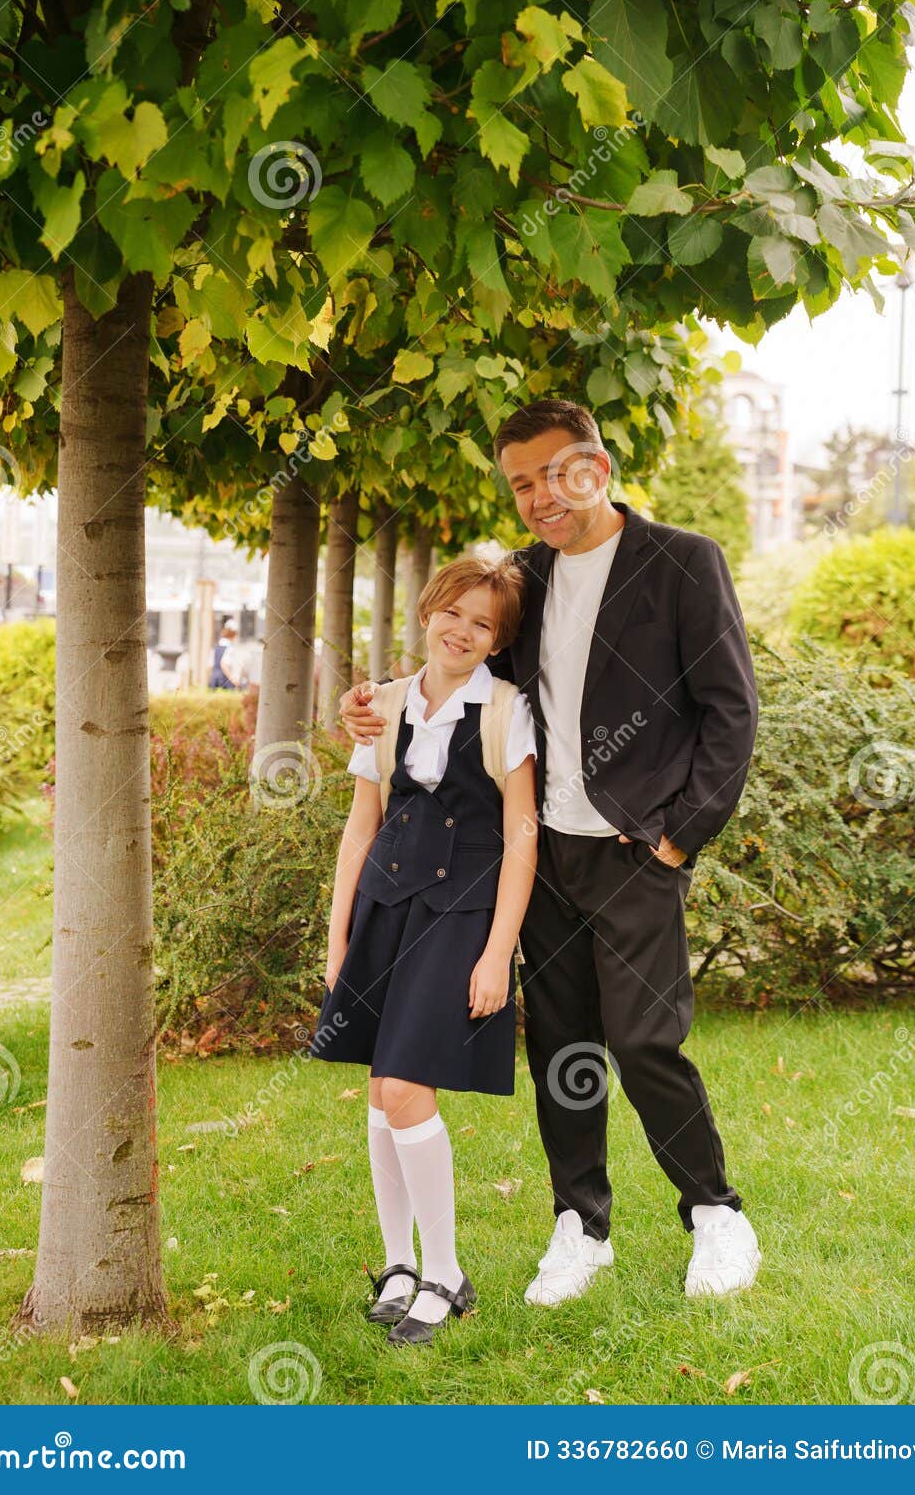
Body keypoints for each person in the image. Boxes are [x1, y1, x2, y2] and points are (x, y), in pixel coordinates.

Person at [340, 399, 761, 1304]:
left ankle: (716, 1216)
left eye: (553, 474)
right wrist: (369, 706)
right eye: (520, 483)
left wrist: (680, 838)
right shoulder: (523, 578)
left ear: (596, 469)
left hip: (635, 850)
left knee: (647, 1039)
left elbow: (732, 712)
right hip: (539, 858)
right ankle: (582, 1225)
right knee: (562, 1046)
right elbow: (458, 672)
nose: (537, 497)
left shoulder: (683, 564)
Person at [312, 555, 538, 1347]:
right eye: (455, 614)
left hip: (462, 917)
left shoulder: (509, 711)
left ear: (497, 640)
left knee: (406, 1088)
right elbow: (358, 828)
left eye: (484, 625)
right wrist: (338, 937)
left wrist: (498, 950)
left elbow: (520, 837)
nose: (464, 632)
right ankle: (397, 1263)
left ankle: (444, 1271)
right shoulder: (381, 703)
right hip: (384, 905)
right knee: (380, 1092)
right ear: (428, 611)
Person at [209, 618, 243, 689]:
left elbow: (209, 666)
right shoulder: (230, 648)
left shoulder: (216, 647)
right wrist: (234, 680)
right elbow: (224, 665)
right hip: (225, 683)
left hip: (214, 681)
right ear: (234, 634)